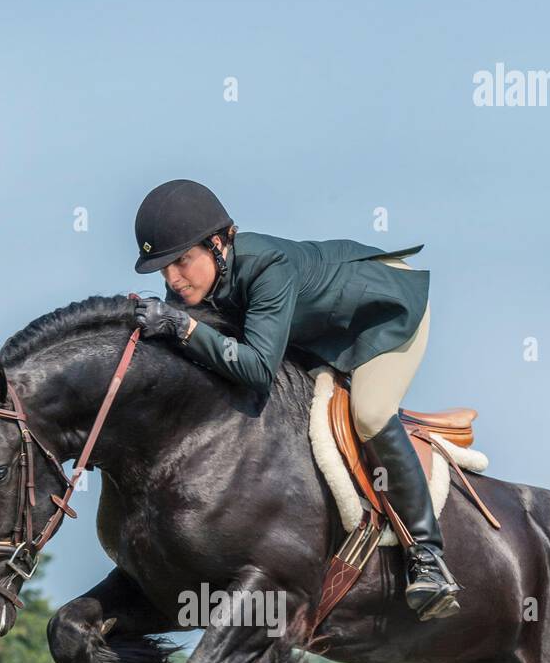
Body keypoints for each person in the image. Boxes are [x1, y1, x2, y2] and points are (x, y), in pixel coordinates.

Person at [133, 179, 460, 620]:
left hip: (381, 313)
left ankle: (428, 555)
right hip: (315, 332)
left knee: (370, 413)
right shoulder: (195, 282)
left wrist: (185, 328)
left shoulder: (268, 267)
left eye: (182, 262)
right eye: (164, 269)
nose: (172, 278)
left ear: (217, 244)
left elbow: (255, 369)